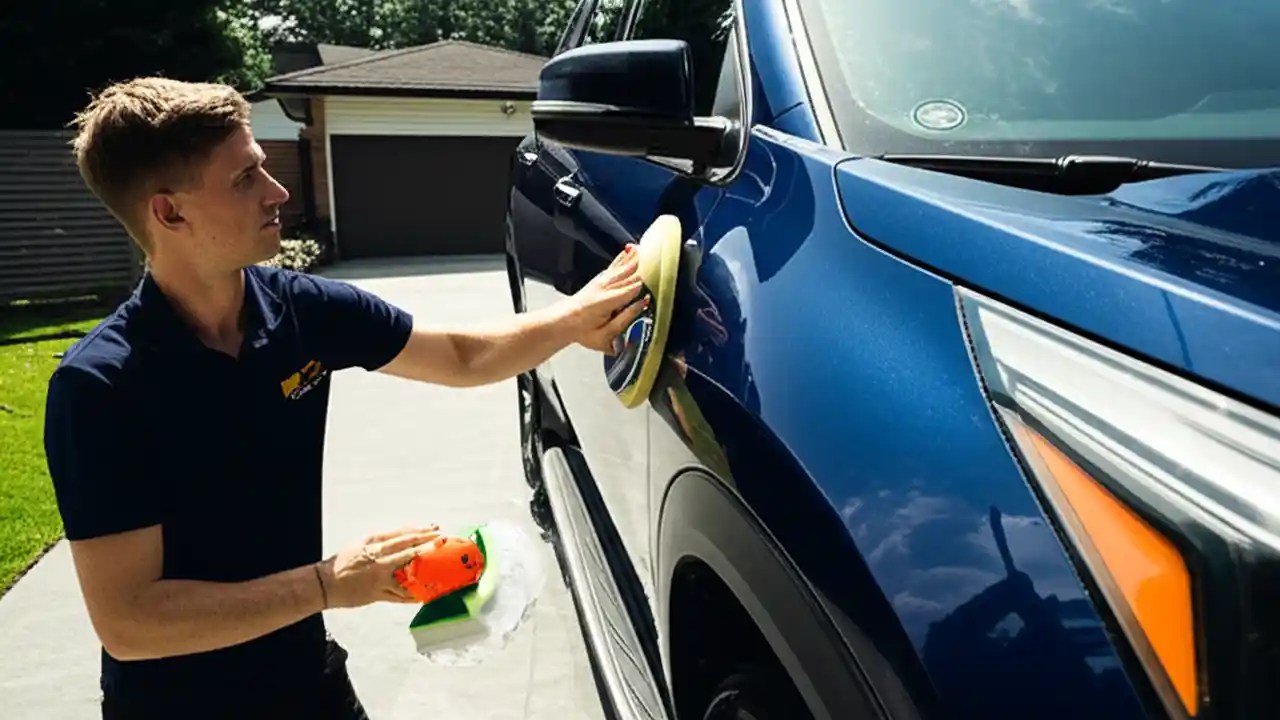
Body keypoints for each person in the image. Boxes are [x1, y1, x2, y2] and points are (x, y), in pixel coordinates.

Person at [42, 77, 647, 719]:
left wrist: (574, 319)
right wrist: (327, 584)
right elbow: (131, 622)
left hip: (307, 680)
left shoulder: (300, 310)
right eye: (245, 179)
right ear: (170, 213)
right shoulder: (102, 387)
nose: (278, 193)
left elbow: (460, 355)